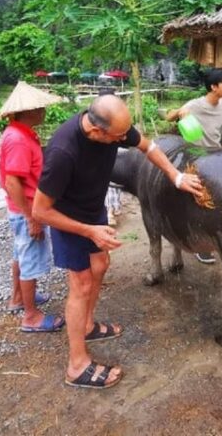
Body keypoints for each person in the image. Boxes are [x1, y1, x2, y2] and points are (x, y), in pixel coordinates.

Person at [32, 95, 204, 389]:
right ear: (97, 131)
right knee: (81, 283)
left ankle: (86, 326)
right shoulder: (63, 151)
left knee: (100, 264)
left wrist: (176, 177)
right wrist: (89, 231)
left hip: (92, 211)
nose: (125, 139)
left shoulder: (115, 129)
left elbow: (148, 146)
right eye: (119, 137)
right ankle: (76, 366)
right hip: (67, 217)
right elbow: (40, 211)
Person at [0, 81, 64, 332]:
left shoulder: (14, 133)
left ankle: (18, 299)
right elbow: (13, 182)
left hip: (18, 208)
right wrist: (31, 216)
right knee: (30, 260)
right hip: (24, 209)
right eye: (41, 107)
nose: (44, 111)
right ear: (30, 111)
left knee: (20, 255)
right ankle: (31, 317)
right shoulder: (19, 140)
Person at [166, 67, 222, 263]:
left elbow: (218, 131)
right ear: (213, 86)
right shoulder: (195, 105)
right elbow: (169, 116)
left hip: (216, 155)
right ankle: (198, 245)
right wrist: (180, 112)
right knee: (200, 203)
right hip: (195, 158)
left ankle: (219, 237)